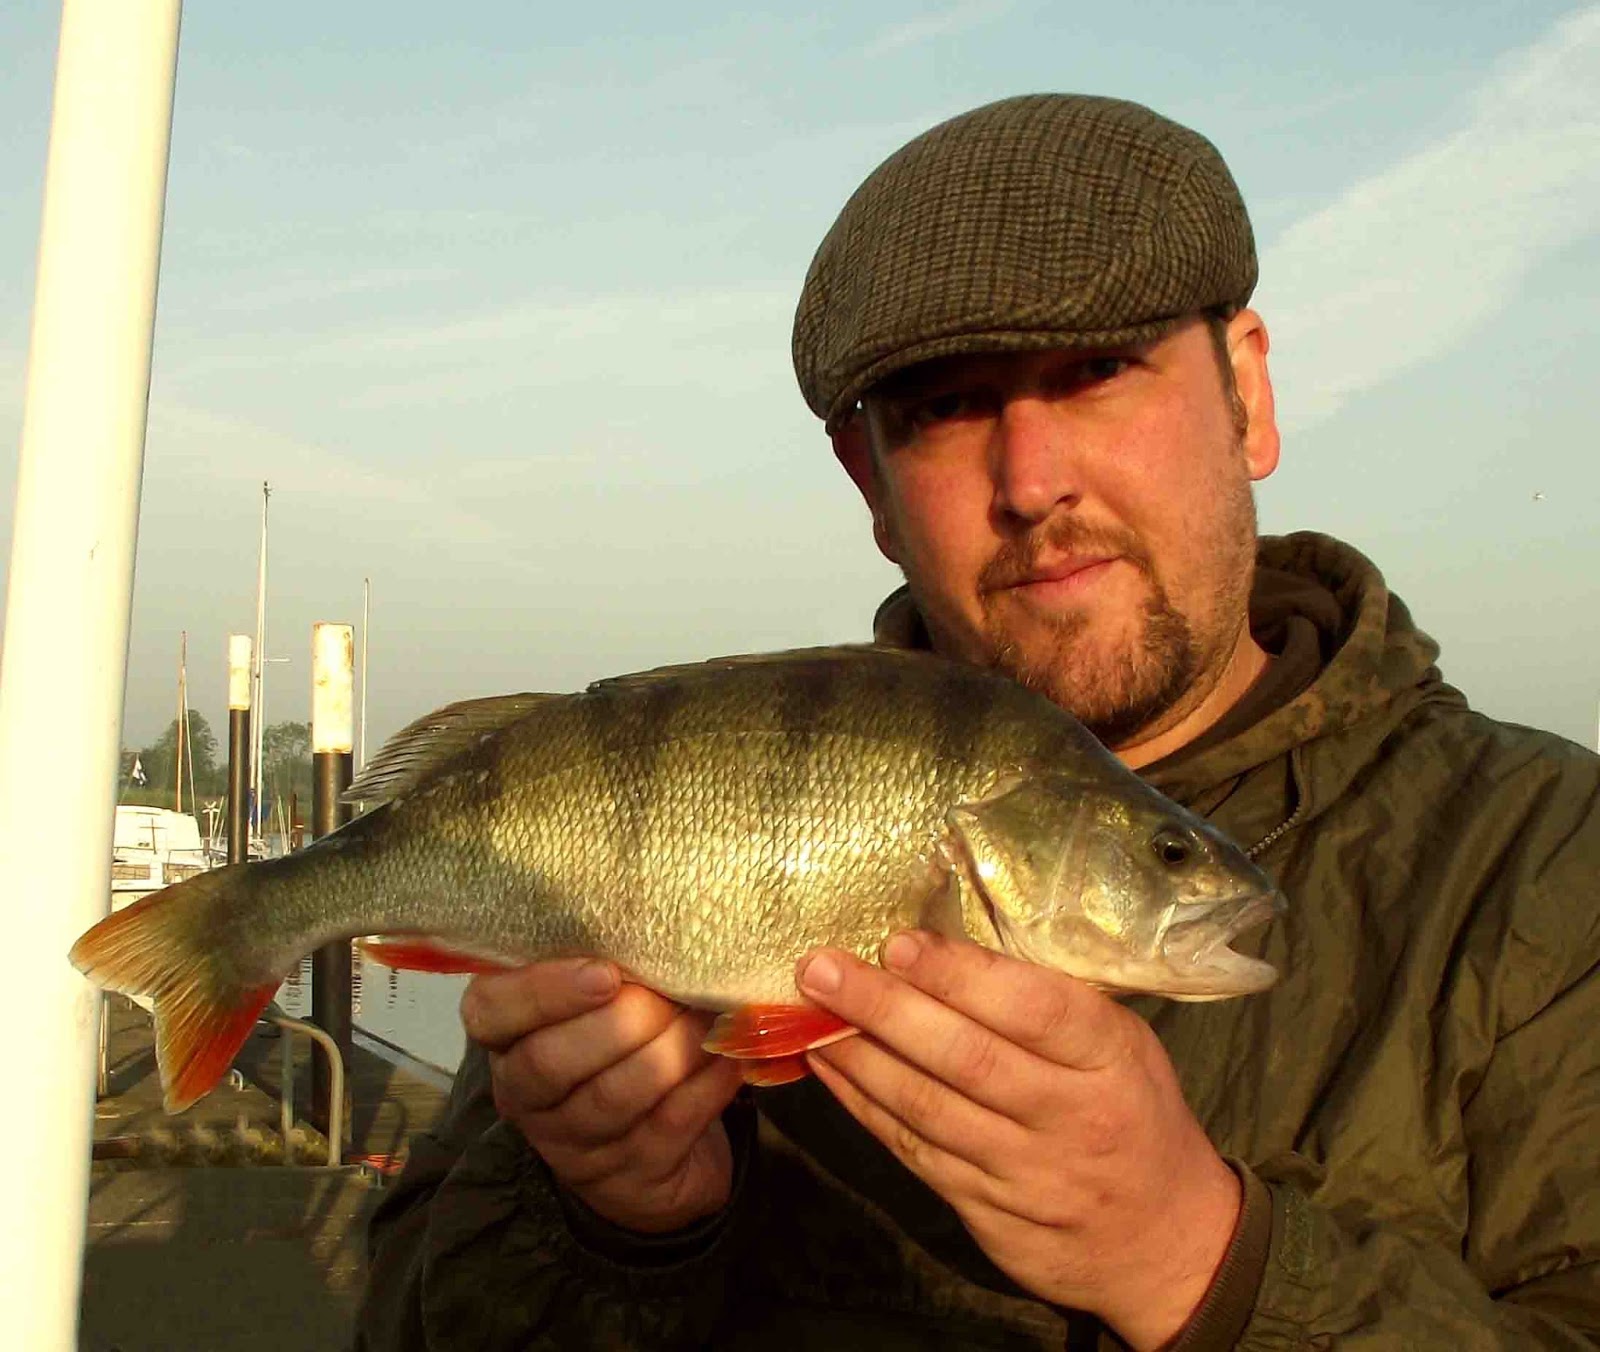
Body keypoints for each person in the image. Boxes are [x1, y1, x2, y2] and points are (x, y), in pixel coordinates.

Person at [354, 94, 1600, 1349]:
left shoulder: (1549, 859)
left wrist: (1198, 1257)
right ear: (870, 485)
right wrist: (613, 1226)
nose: (1031, 480)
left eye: (1096, 372)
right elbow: (399, 1323)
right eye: (947, 408)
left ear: (1246, 391)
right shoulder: (675, 813)